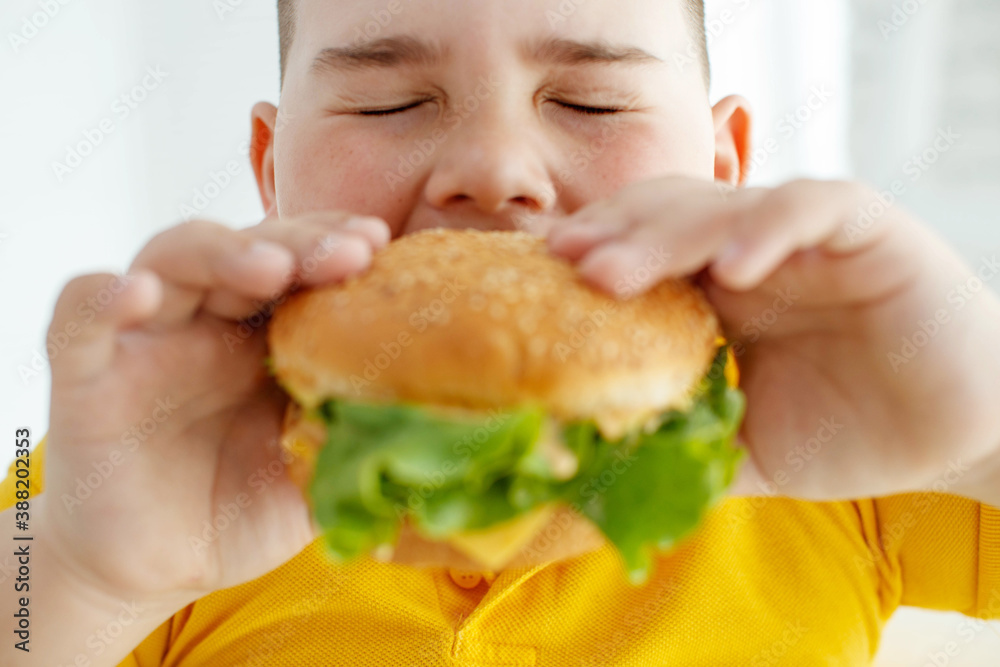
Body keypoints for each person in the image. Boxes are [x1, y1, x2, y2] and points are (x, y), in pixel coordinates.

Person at [3, 0, 999, 664]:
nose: (491, 165)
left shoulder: (832, 428)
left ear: (721, 162)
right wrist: (82, 580)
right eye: (387, 99)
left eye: (590, 98)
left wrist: (985, 429)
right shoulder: (150, 447)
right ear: (272, 171)